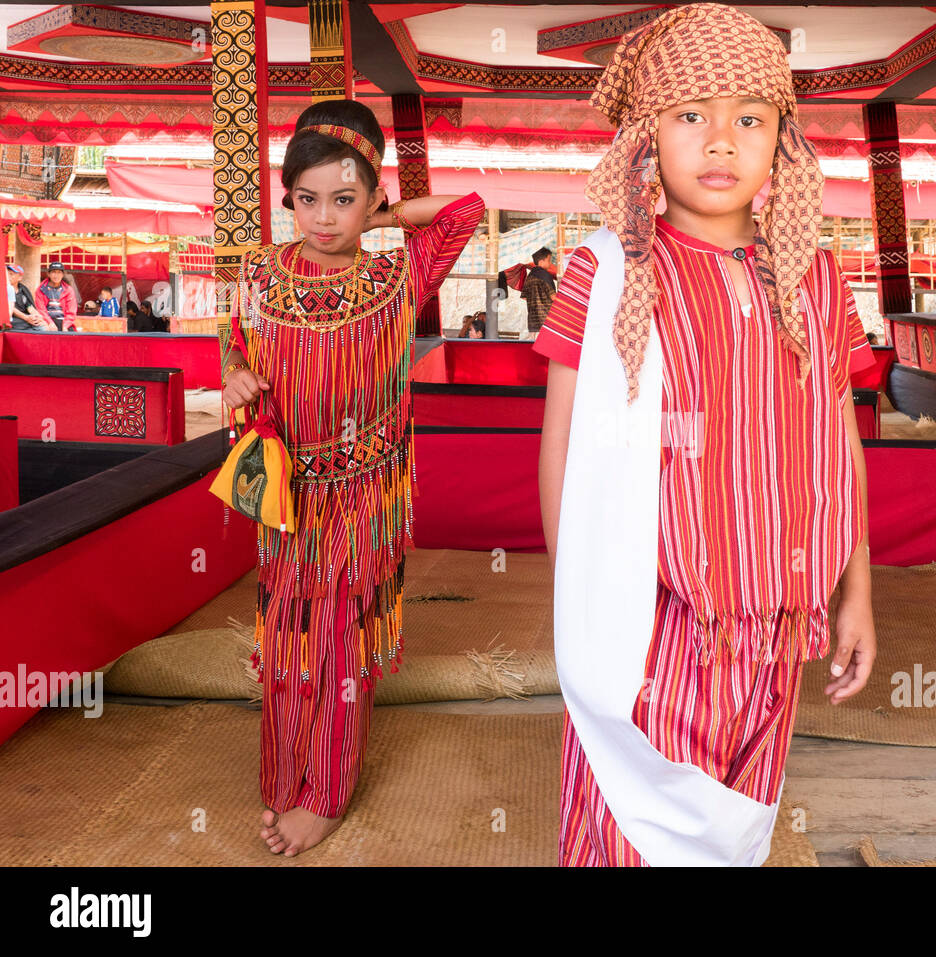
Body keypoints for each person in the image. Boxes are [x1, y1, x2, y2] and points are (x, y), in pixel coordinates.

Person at [534, 2, 877, 867]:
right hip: (648, 620)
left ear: (782, 143)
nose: (721, 142)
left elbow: (838, 442)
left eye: (749, 119)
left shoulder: (815, 277)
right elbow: (565, 442)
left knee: (736, 822)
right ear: (647, 136)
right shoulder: (604, 271)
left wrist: (857, 591)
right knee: (624, 823)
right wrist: (580, 597)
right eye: (691, 115)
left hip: (778, 619)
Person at [219, 97, 484, 859]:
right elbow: (233, 343)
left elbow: (464, 211)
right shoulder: (259, 273)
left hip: (364, 494)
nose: (323, 217)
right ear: (288, 198)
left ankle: (328, 791)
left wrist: (384, 215)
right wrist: (235, 373)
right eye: (307, 199)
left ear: (371, 200)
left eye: (343, 199)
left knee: (338, 635)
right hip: (285, 493)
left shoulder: (398, 275)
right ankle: (284, 774)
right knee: (286, 634)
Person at [522, 246, 557, 338]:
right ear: (541, 261)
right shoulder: (545, 275)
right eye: (549, 260)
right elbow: (553, 297)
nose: (550, 263)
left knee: (532, 344)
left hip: (532, 322)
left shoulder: (529, 276)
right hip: (546, 320)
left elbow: (525, 297)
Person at [35, 261, 77, 331]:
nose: (56, 275)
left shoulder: (68, 290)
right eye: (53, 272)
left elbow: (71, 312)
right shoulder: (41, 289)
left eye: (59, 272)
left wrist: (65, 326)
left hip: (63, 321)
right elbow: (41, 310)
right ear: (48, 274)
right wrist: (50, 323)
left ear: (63, 274)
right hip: (46, 321)